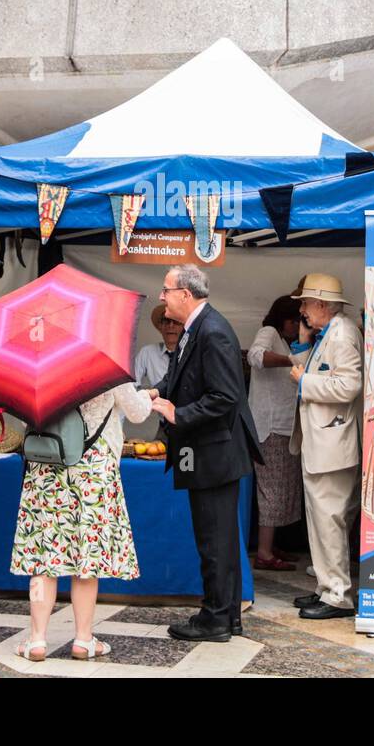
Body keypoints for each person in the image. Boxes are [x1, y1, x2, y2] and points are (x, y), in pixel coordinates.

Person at [148, 264, 262, 642]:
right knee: (219, 539)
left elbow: (224, 397)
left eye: (166, 290)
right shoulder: (196, 328)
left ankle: (215, 619)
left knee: (215, 540)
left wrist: (177, 413)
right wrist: (157, 392)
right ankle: (225, 615)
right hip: (207, 452)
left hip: (215, 453)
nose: (161, 296)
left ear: (185, 294)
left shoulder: (212, 332)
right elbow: (185, 377)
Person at [11, 382, 150, 661]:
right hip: (93, 467)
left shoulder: (43, 364)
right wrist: (148, 396)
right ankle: (83, 639)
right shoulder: (106, 363)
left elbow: (23, 415)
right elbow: (136, 412)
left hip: (48, 463)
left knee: (43, 555)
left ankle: (37, 640)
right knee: (87, 555)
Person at [287, 274, 363, 620]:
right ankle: (326, 587)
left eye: (305, 302)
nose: (301, 309)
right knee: (322, 521)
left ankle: (337, 595)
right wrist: (304, 345)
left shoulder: (343, 335)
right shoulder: (331, 331)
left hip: (333, 443)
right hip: (325, 442)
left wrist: (305, 381)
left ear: (320, 304)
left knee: (329, 520)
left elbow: (349, 385)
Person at [246, 295, 304, 571]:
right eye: (295, 321)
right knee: (271, 489)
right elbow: (255, 356)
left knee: (284, 489)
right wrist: (290, 360)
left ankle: (271, 545)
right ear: (284, 319)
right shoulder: (269, 333)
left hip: (284, 426)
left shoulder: (285, 340)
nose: (297, 326)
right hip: (269, 426)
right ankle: (264, 552)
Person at [129, 304, 182, 440]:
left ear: (184, 327)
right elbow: (129, 387)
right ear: (160, 327)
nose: (171, 326)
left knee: (187, 460)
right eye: (166, 321)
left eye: (176, 322)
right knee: (154, 457)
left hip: (190, 425)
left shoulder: (193, 354)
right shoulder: (148, 353)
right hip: (164, 426)